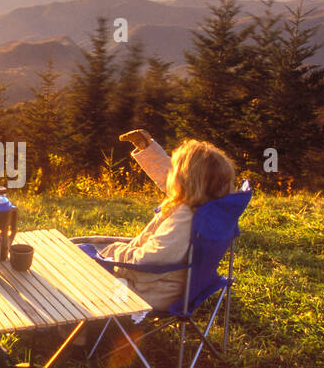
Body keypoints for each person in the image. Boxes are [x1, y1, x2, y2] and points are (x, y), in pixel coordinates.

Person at [73, 133, 236, 311]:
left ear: (184, 180)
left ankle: (82, 331)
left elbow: (147, 260)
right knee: (81, 248)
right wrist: (148, 149)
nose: (172, 175)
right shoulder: (209, 207)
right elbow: (176, 178)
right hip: (167, 285)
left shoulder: (185, 219)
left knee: (74, 261)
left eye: (175, 171)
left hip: (144, 292)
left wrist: (114, 251)